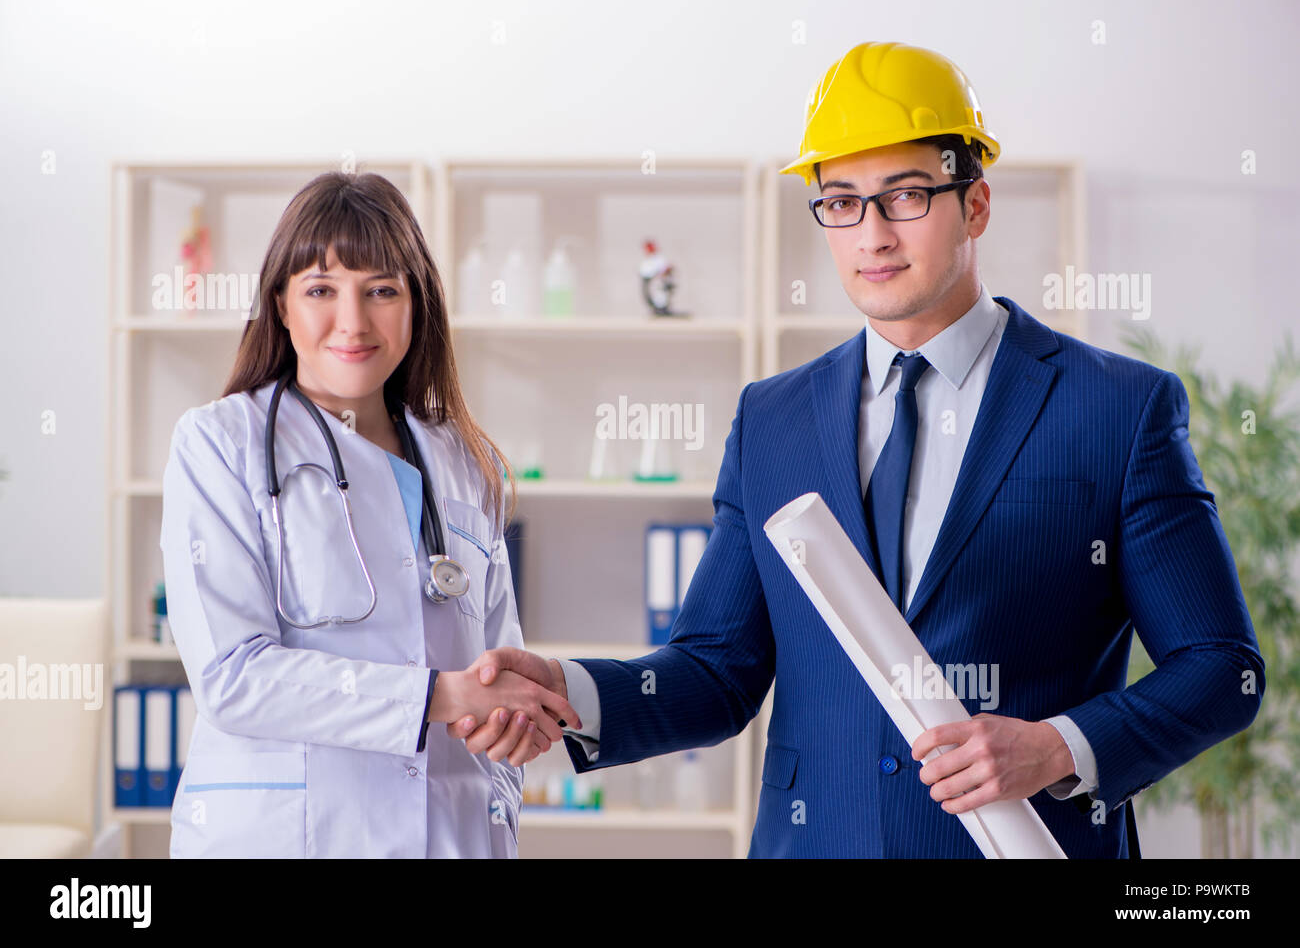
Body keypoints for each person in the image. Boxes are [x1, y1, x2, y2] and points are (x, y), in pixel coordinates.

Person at [451, 42, 1265, 857]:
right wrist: (574, 693)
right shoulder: (773, 419)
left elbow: (1220, 667)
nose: (871, 234)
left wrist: (1056, 746)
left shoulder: (1118, 408)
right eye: (840, 202)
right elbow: (717, 667)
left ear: (975, 204)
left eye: (905, 196)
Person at [159, 171, 579, 858]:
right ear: (281, 307)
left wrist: (508, 737)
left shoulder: (464, 463)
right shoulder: (219, 443)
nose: (353, 321)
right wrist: (439, 698)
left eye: (382, 290)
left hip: (451, 836)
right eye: (321, 290)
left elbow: (497, 666)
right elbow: (233, 676)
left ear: (417, 305)